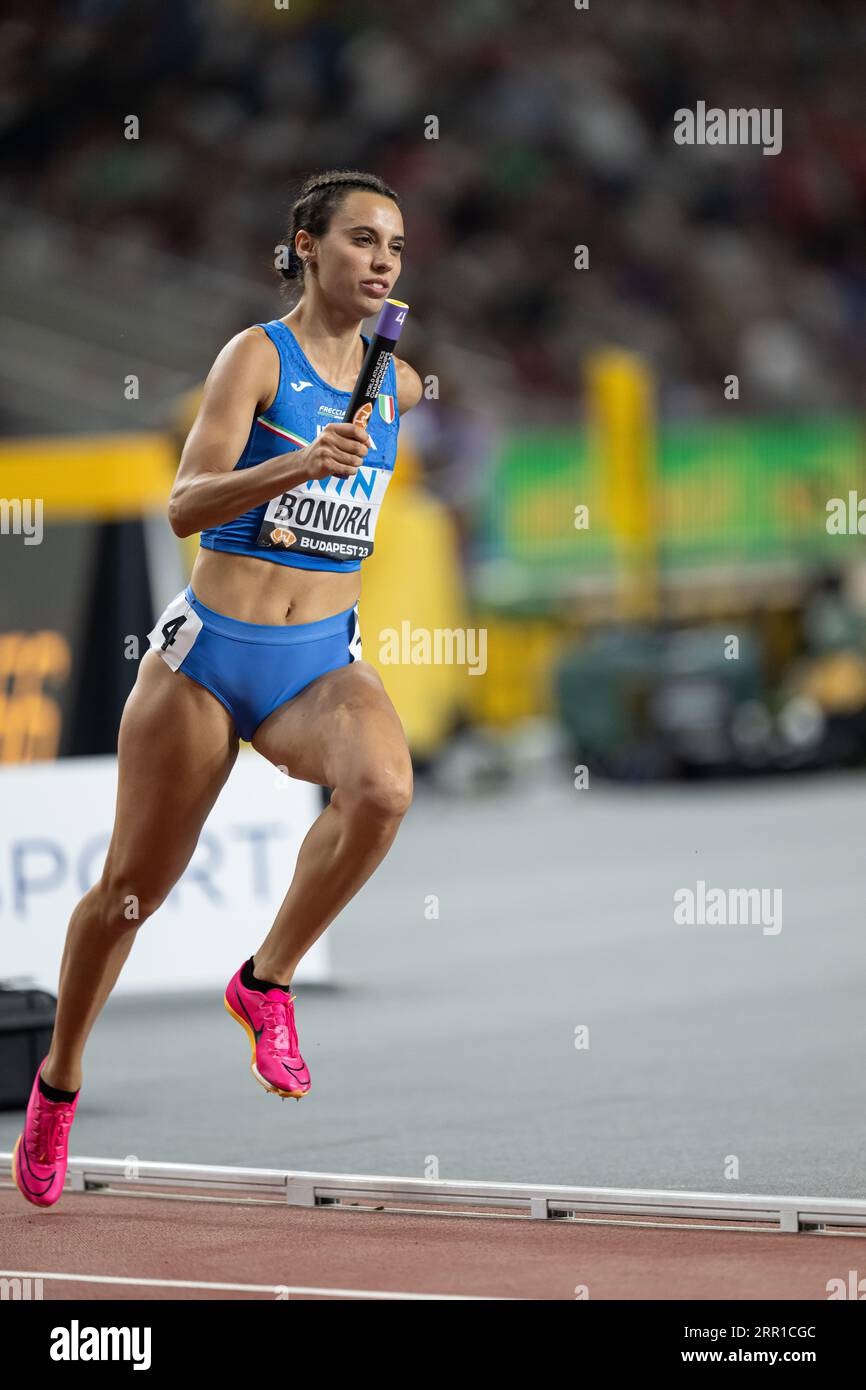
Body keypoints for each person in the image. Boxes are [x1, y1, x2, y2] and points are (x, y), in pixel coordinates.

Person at [13, 169, 422, 1207]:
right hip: (203, 661)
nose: (380, 260)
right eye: (362, 239)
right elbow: (185, 504)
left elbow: (415, 410)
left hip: (316, 662)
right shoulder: (254, 357)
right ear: (304, 245)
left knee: (380, 790)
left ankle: (265, 978)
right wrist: (295, 465)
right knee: (128, 893)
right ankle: (58, 1082)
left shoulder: (398, 382)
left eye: (396, 248)